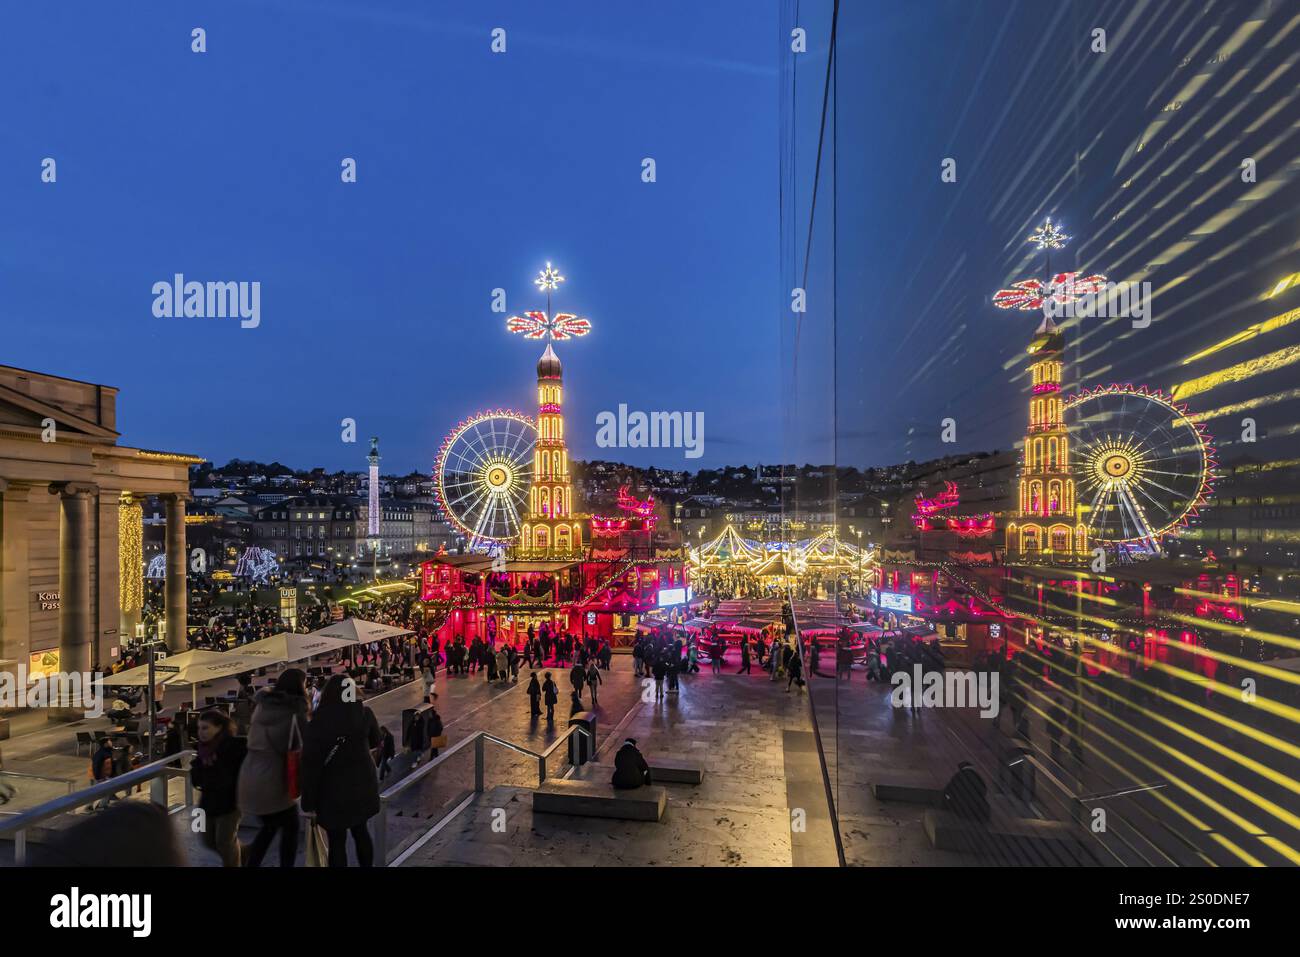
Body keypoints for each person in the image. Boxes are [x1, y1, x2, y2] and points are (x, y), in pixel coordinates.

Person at [301, 675, 381, 867]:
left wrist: (308, 802)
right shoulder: (364, 713)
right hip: (363, 784)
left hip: (332, 791)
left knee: (336, 841)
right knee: (361, 832)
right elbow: (375, 740)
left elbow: (310, 765)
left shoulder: (317, 723)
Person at [238, 668, 309, 868]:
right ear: (299, 687)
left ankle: (251, 862)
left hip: (249, 773)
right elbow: (304, 743)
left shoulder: (262, 705)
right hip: (272, 778)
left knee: (271, 825)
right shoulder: (295, 711)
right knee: (290, 825)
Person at [190, 709, 247, 867]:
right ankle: (243, 852)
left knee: (224, 842)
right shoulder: (202, 750)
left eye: (205, 728)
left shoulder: (234, 746)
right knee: (206, 840)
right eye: (199, 728)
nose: (201, 732)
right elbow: (197, 777)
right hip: (207, 803)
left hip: (230, 803)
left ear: (219, 727)